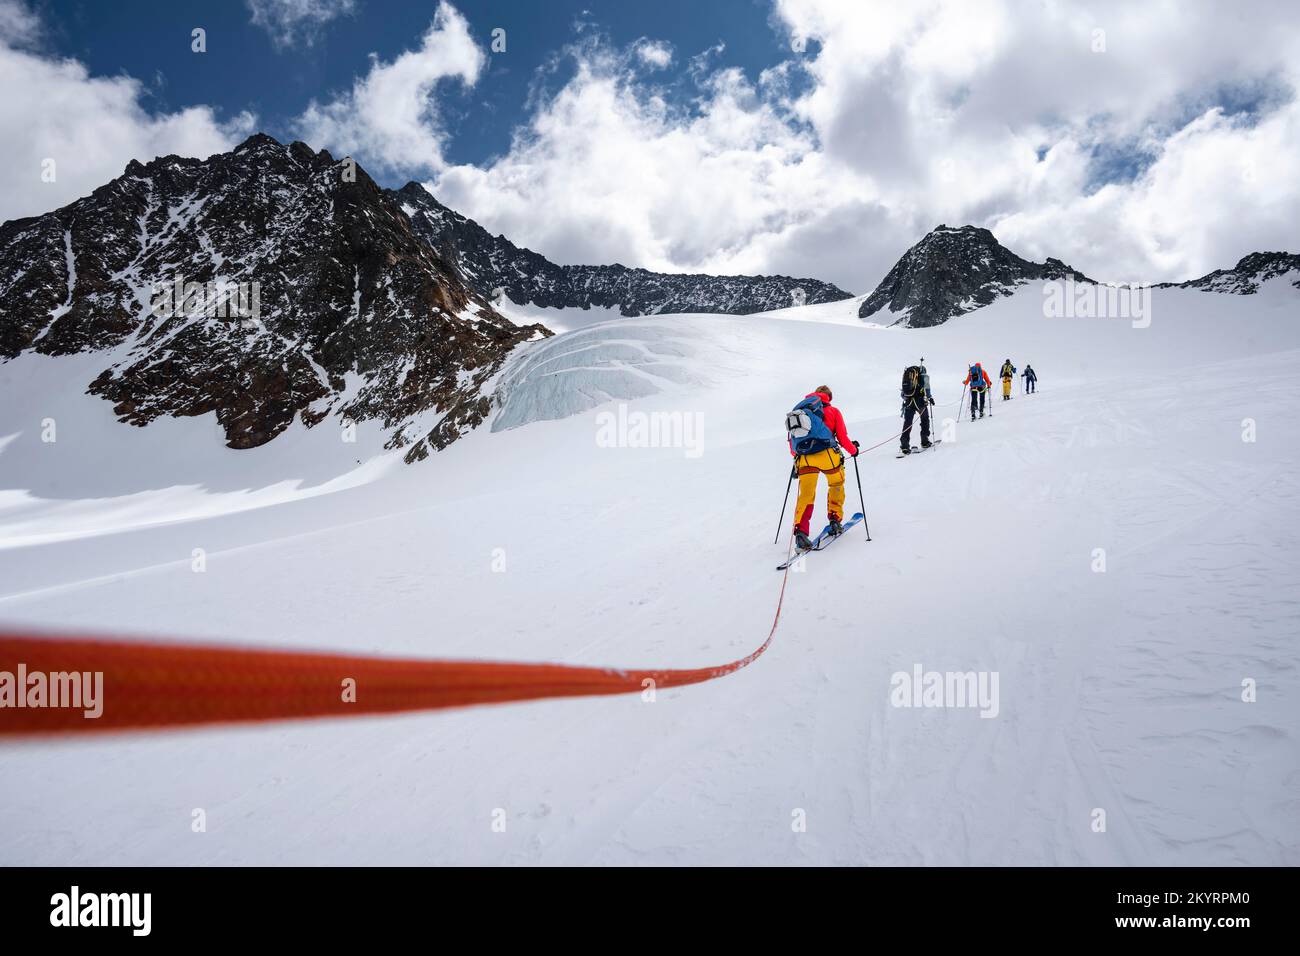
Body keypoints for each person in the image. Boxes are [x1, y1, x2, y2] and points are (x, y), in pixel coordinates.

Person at [788, 386, 858, 549]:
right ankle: (835, 520)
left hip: (804, 458)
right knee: (836, 484)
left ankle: (801, 533)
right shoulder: (833, 411)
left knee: (806, 494)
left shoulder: (800, 411)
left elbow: (793, 446)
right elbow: (842, 437)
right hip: (828, 456)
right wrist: (853, 451)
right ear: (829, 397)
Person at [899, 359, 934, 454]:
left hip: (909, 402)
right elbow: (927, 387)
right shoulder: (924, 376)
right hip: (919, 402)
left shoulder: (908, 375)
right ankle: (924, 440)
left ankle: (904, 445)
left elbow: (903, 394)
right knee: (925, 419)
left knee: (908, 423)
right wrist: (930, 397)